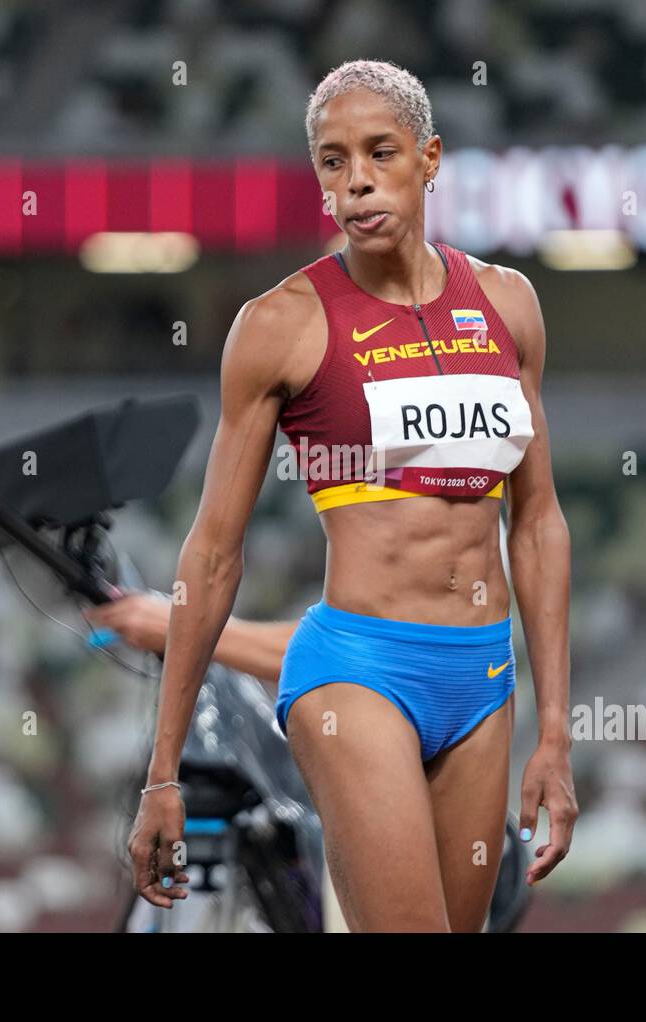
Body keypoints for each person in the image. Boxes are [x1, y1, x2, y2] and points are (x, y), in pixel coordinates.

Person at [93, 58, 576, 932]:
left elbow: (537, 524)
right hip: (357, 671)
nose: (354, 180)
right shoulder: (281, 325)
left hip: (484, 679)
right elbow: (212, 550)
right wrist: (163, 773)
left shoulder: (509, 306)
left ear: (429, 159)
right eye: (331, 160)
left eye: (379, 153)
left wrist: (557, 736)